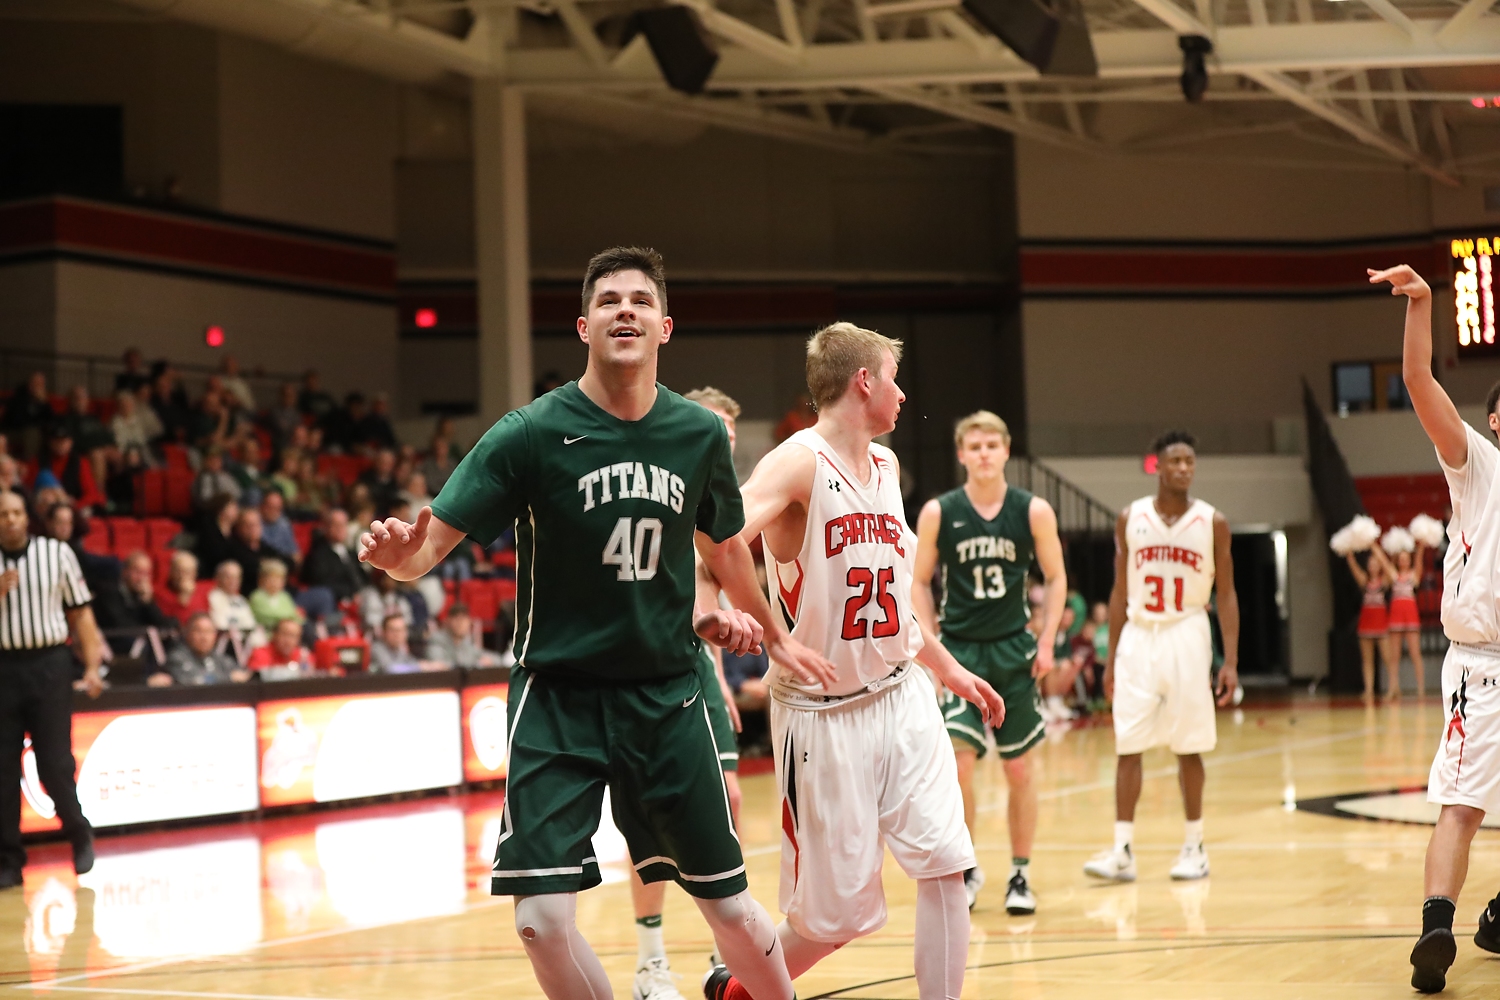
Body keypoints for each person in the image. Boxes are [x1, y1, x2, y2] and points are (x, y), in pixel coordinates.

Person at [359, 246, 833, 1000]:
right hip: (557, 698)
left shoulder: (699, 435)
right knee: (540, 922)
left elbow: (727, 550)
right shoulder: (528, 433)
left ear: (665, 327)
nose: (625, 310)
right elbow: (427, 553)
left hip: (666, 696)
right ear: (584, 325)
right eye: (609, 300)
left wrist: (775, 636)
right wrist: (396, 561)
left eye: (640, 301)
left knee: (733, 912)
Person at [713, 322, 1005, 1000]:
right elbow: (721, 541)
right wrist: (752, 622)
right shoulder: (798, 462)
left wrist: (946, 668)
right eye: (894, 379)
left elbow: (895, 592)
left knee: (945, 863)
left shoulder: (887, 465)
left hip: (902, 693)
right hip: (822, 714)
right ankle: (739, 991)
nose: (903, 395)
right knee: (833, 921)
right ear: (864, 382)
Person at [1363, 265, 1500, 990]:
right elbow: (1419, 380)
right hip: (1483, 668)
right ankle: (1437, 931)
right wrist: (1422, 305)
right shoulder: (1479, 464)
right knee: (1464, 805)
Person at [620, 385, 754, 1000]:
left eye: (728, 435)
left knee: (728, 798)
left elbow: (714, 594)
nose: (719, 442)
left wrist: (721, 675)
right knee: (649, 821)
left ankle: (725, 949)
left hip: (697, 663)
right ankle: (651, 961)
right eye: (713, 431)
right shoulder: (654, 482)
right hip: (643, 663)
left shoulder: (723, 503)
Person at [911, 409, 1066, 915]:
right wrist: (932, 647)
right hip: (961, 650)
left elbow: (1057, 577)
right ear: (961, 454)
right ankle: (968, 868)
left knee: (1019, 770)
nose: (983, 454)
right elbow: (918, 581)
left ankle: (1020, 874)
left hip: (1012, 652)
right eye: (973, 446)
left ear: (1005, 451)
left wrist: (1045, 642)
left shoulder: (1033, 510)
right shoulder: (939, 511)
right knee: (959, 766)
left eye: (991, 446)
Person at [1083, 429, 1239, 885]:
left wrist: (1230, 660)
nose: (1184, 468)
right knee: (1127, 743)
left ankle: (1195, 845)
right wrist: (1110, 658)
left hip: (1188, 631)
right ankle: (1122, 850)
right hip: (1138, 635)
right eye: (1175, 461)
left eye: (1191, 461)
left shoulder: (1214, 522)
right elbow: (1118, 591)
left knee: (1188, 744)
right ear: (1158, 465)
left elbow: (1226, 594)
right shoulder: (1130, 517)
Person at [0, 489, 102, 887]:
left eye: (16, 512)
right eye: (3, 514)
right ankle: (9, 859)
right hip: (3, 667)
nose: (10, 519)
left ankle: (79, 832)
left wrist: (92, 665)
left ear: (28, 517)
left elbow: (81, 613)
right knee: (2, 770)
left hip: (48, 665)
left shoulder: (56, 553)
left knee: (54, 763)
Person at [93, 551, 175, 662]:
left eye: (146, 573)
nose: (142, 578)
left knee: (171, 638)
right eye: (138, 572)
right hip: (113, 640)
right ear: (125, 571)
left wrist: (148, 602)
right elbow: (118, 623)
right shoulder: (109, 591)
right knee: (144, 645)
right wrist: (146, 631)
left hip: (138, 638)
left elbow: (159, 623)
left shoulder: (141, 594)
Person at [1346, 545, 1397, 705]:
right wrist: (1349, 554)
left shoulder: (1385, 581)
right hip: (1366, 624)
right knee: (1367, 660)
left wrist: (1377, 551)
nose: (1373, 566)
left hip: (1381, 624)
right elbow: (1353, 568)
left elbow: (1390, 570)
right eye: (1371, 563)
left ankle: (1393, 688)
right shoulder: (1364, 580)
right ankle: (1368, 690)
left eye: (1376, 563)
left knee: (1387, 659)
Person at [1386, 541, 1428, 699]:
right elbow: (1384, 562)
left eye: (1406, 558)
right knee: (1394, 656)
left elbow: (1419, 561)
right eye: (1401, 558)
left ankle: (1421, 690)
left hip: (1410, 616)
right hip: (1396, 616)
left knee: (1415, 654)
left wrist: (1421, 546)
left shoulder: (1414, 576)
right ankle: (1393, 689)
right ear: (1397, 560)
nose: (1404, 561)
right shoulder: (1393, 575)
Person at [163, 612, 248, 686]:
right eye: (199, 631)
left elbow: (242, 676)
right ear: (188, 633)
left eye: (208, 631)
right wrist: (228, 678)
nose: (204, 637)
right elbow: (192, 682)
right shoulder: (176, 658)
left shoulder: (222, 659)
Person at [303, 508, 366, 602]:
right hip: (335, 601)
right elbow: (322, 583)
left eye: (343, 525)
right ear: (326, 527)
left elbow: (362, 577)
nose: (340, 529)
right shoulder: (318, 554)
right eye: (336, 525)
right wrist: (351, 593)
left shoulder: (351, 553)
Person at [425, 602, 502, 669]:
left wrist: (490, 661)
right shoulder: (437, 640)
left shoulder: (466, 642)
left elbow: (493, 658)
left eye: (463, 619)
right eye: (456, 619)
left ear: (469, 622)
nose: (460, 624)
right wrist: (476, 664)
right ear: (448, 621)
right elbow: (438, 665)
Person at [368, 613, 438, 673]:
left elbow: (411, 662)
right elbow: (389, 669)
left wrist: (430, 666)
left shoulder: (400, 649)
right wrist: (419, 667)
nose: (397, 635)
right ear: (384, 632)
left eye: (401, 630)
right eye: (393, 630)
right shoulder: (376, 648)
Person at [246, 617, 313, 680]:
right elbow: (256, 679)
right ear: (275, 634)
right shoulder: (260, 654)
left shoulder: (303, 656)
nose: (288, 641)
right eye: (285, 634)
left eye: (293, 636)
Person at [249, 559, 304, 632]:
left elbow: (297, 617)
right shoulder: (257, 596)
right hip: (265, 633)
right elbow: (266, 617)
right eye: (272, 578)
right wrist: (287, 618)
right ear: (262, 579)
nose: (275, 582)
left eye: (279, 578)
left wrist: (290, 617)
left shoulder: (285, 597)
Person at [206, 560, 258, 638]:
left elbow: (251, 625)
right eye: (228, 577)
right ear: (218, 578)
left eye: (236, 577)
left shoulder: (241, 600)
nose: (233, 581)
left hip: (243, 643)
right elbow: (220, 625)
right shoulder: (212, 597)